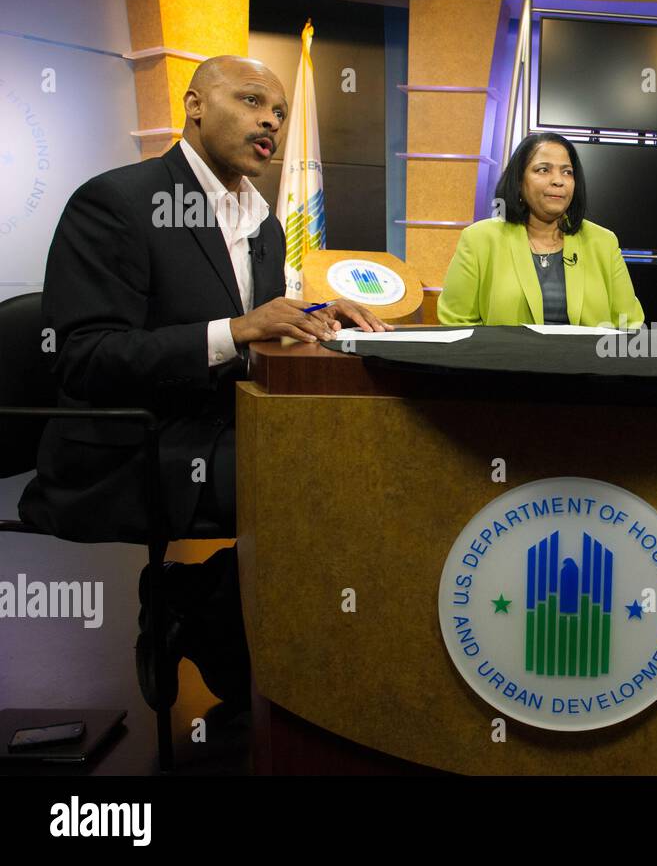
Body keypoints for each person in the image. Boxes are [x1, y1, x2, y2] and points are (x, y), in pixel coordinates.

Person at [19, 55, 391, 711]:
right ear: (194, 105)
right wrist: (236, 330)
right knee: (317, 487)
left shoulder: (267, 225)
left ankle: (193, 606)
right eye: (251, 101)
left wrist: (309, 317)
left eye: (278, 111)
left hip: (223, 426)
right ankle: (239, 656)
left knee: (352, 468)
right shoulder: (118, 203)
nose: (270, 121)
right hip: (130, 446)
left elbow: (252, 326)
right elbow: (84, 357)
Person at [437, 132, 645, 328]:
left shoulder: (603, 241)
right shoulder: (479, 239)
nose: (558, 180)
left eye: (567, 172)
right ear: (519, 181)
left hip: (586, 365)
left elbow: (629, 324)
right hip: (505, 364)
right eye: (543, 170)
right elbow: (455, 323)